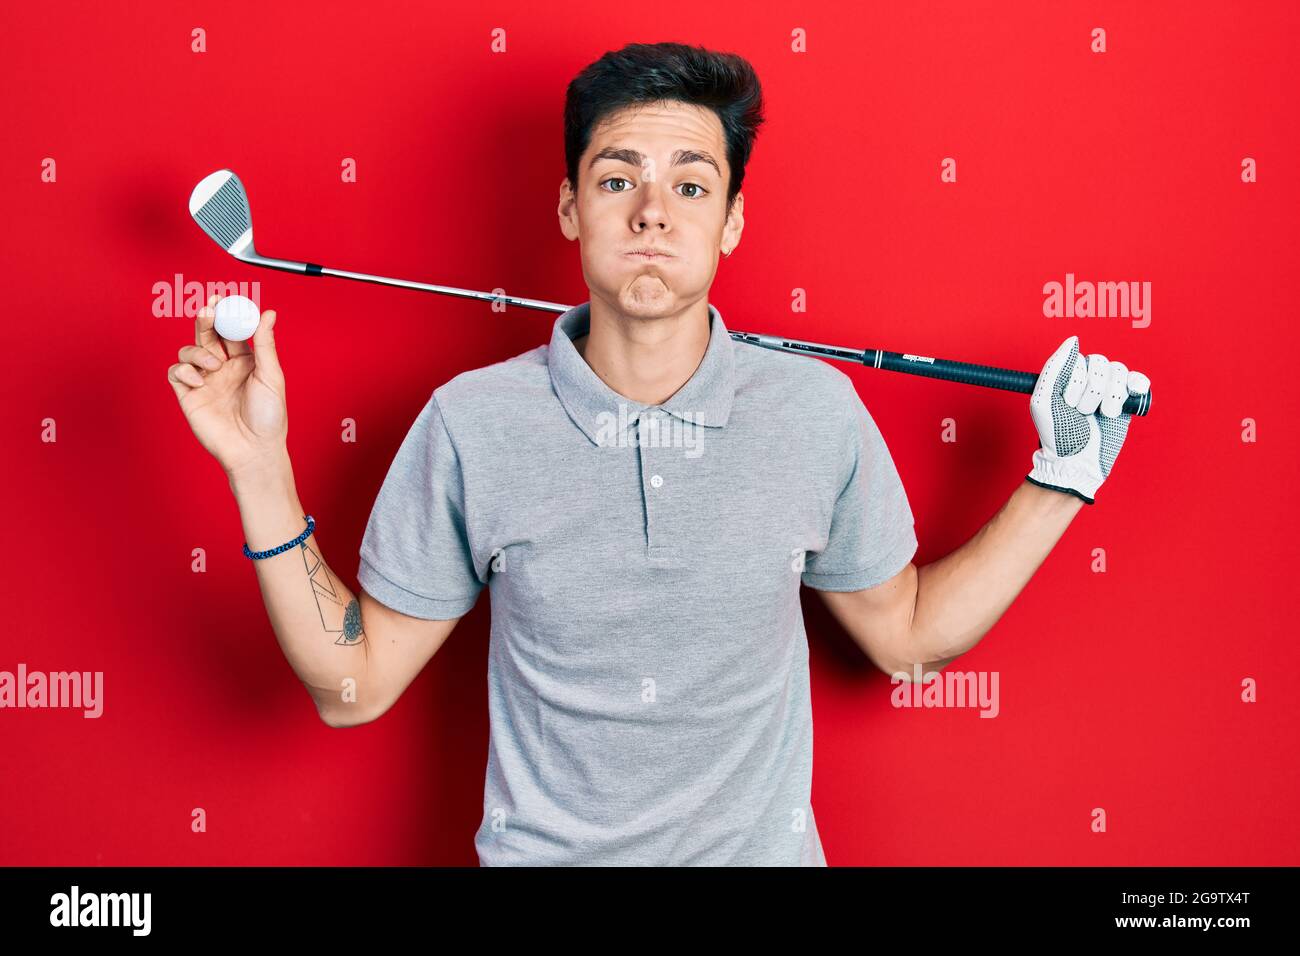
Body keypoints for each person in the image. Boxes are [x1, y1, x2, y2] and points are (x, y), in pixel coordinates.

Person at [166, 42, 1150, 866]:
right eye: (616, 178)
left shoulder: (814, 411)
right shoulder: (471, 420)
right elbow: (354, 686)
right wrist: (259, 467)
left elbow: (904, 635)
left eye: (689, 183)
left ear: (730, 221)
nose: (650, 212)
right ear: (569, 208)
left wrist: (1061, 477)